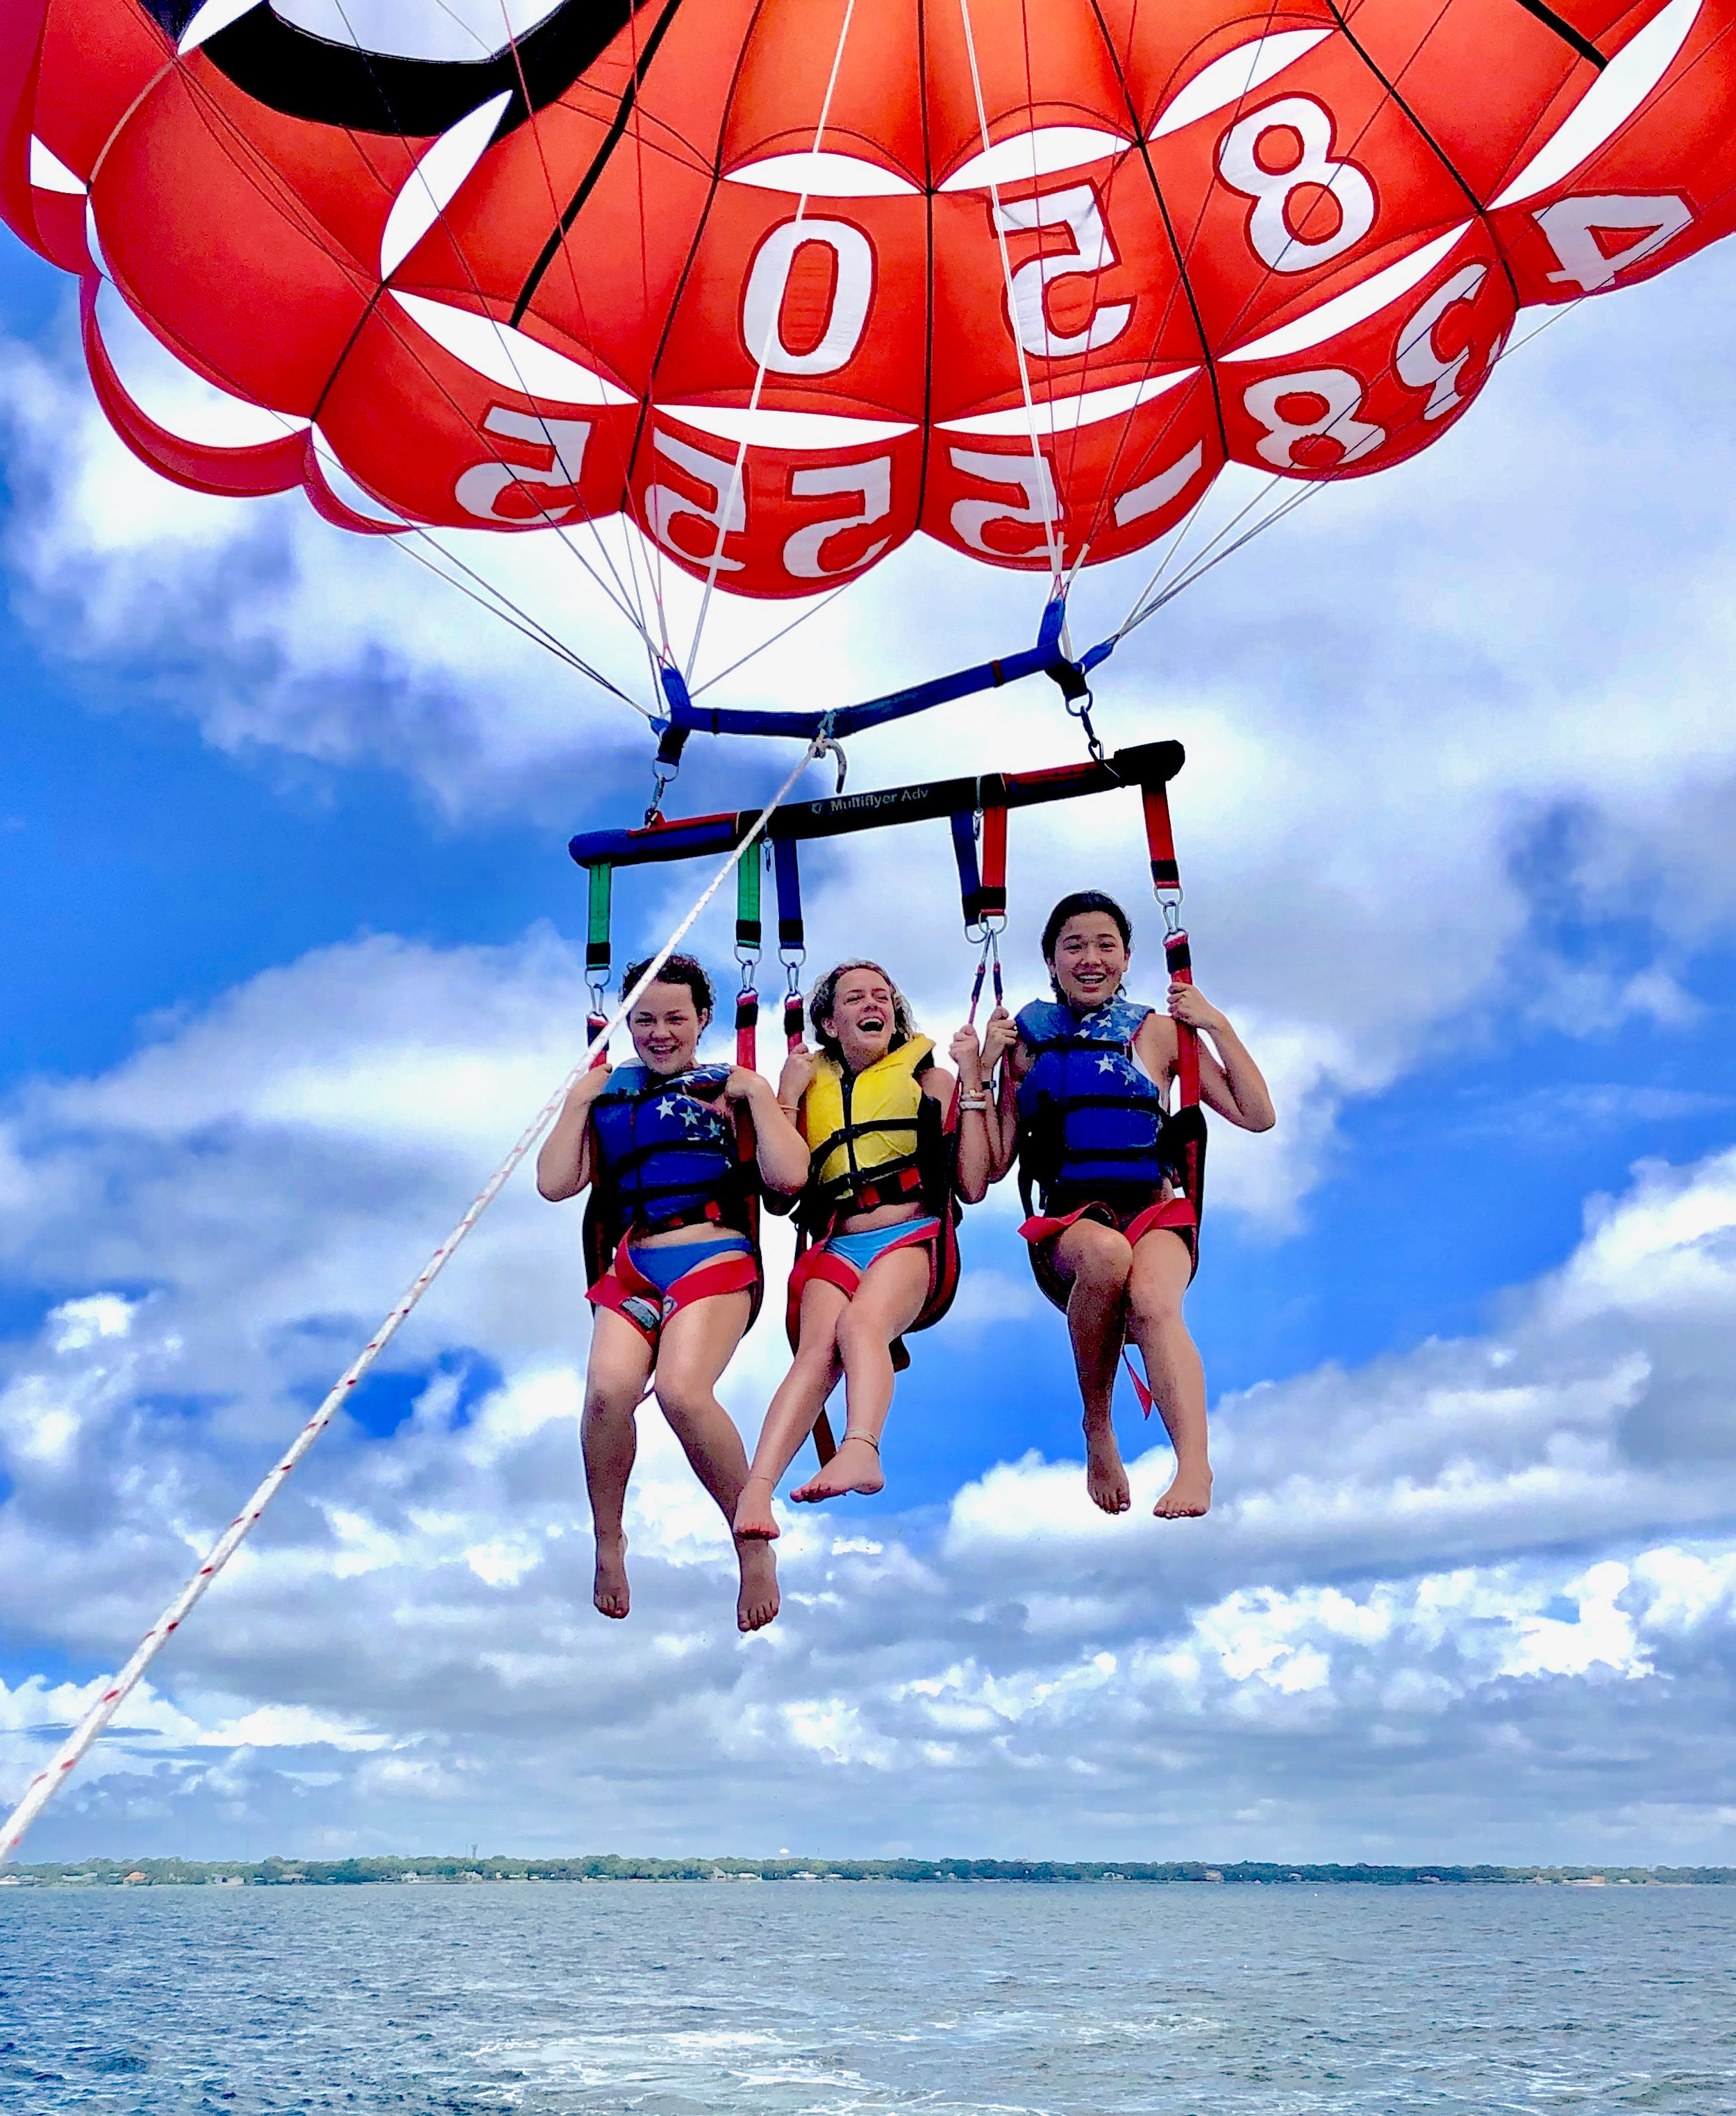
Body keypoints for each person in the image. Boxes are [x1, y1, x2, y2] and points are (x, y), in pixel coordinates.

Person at [536, 954, 808, 1632]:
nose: (660, 1032)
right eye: (645, 1019)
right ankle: (608, 1539)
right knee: (605, 1392)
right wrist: (577, 1100)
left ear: (703, 1019)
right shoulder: (608, 1091)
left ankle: (750, 1542)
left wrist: (758, 1094)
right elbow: (553, 1182)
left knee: (684, 1392)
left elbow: (789, 1177)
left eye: (675, 1018)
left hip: (713, 1254)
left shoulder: (725, 1082)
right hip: (631, 1265)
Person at [985, 891, 1274, 1520]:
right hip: (1068, 1222)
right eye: (1074, 946)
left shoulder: (1159, 1031)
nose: (1091, 958)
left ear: (1126, 957)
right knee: (1109, 1255)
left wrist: (1216, 1024)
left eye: (1105, 945)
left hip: (1153, 1208)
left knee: (1153, 1301)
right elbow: (988, 1168)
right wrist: (982, 1072)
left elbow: (1257, 1115)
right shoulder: (1024, 1043)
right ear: (1052, 962)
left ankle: (1194, 1465)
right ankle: (1099, 1425)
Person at [732, 960, 996, 1541]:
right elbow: (782, 1186)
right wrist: (784, 1096)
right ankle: (756, 1489)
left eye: (882, 995)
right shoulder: (806, 1083)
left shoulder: (930, 1082)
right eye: (855, 998)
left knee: (862, 1325)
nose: (872, 1003)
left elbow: (975, 1184)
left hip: (910, 1235)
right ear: (828, 1020)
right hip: (837, 1242)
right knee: (814, 1352)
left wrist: (975, 1077)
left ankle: (860, 1448)